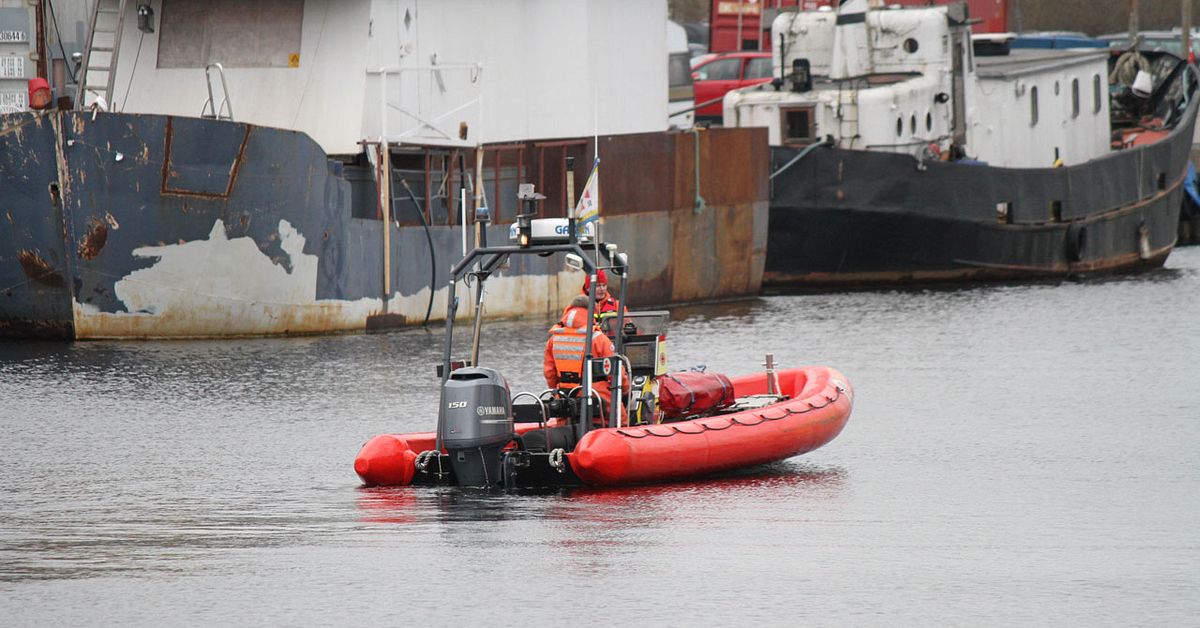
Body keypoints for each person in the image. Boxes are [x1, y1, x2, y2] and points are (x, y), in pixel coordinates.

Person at [544, 296, 627, 425]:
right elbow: (616, 373)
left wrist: (557, 391)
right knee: (621, 418)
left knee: (562, 426)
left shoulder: (554, 338)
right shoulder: (598, 338)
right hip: (595, 394)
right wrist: (626, 389)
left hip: (564, 396)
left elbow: (550, 373)